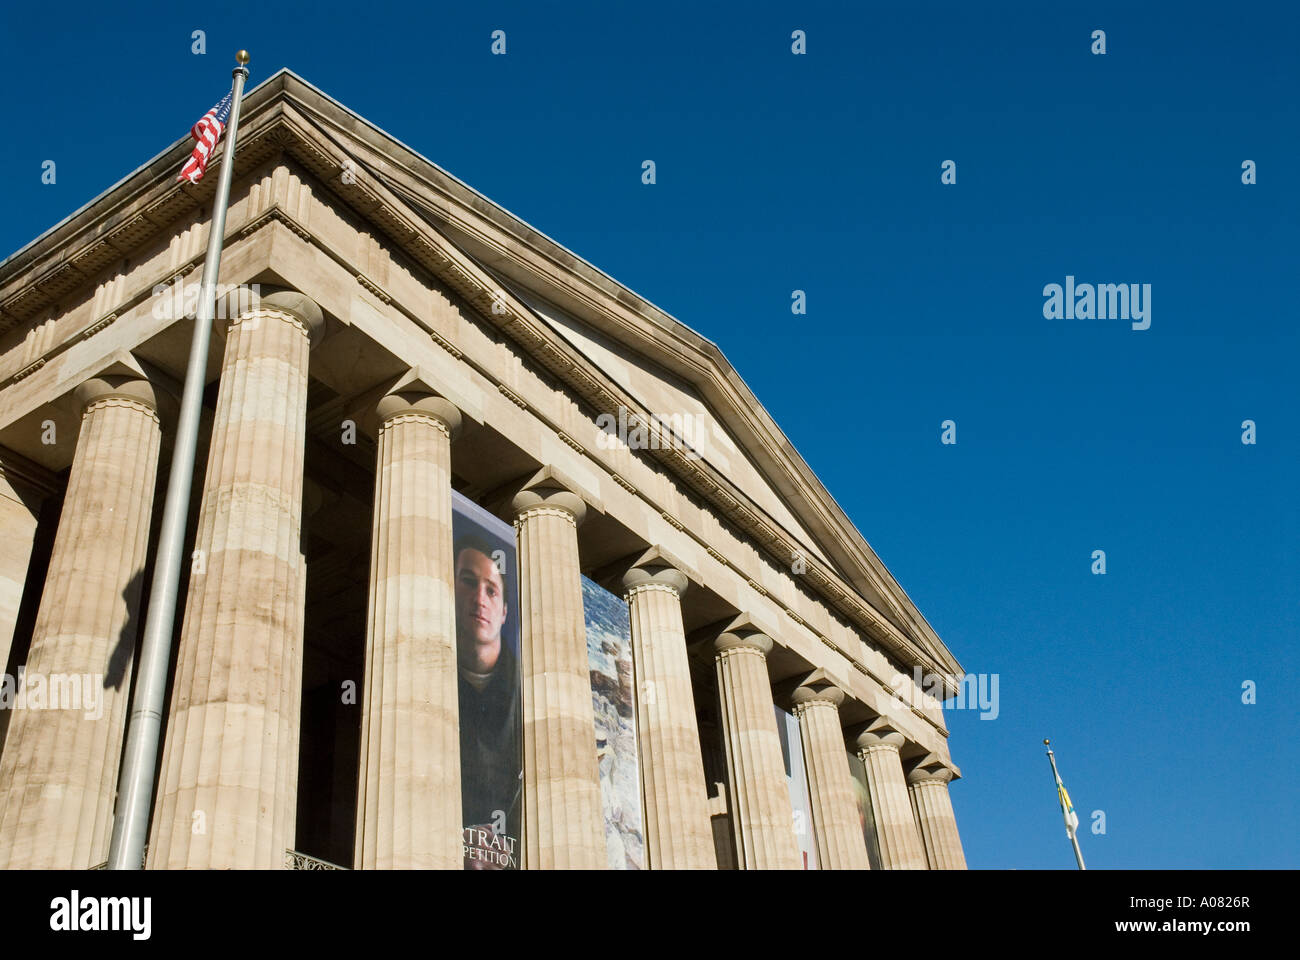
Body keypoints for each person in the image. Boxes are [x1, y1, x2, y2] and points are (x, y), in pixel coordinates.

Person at [453, 532, 522, 870]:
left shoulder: (529, 694)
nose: (479, 599)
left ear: (505, 611)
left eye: (491, 590)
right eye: (468, 582)